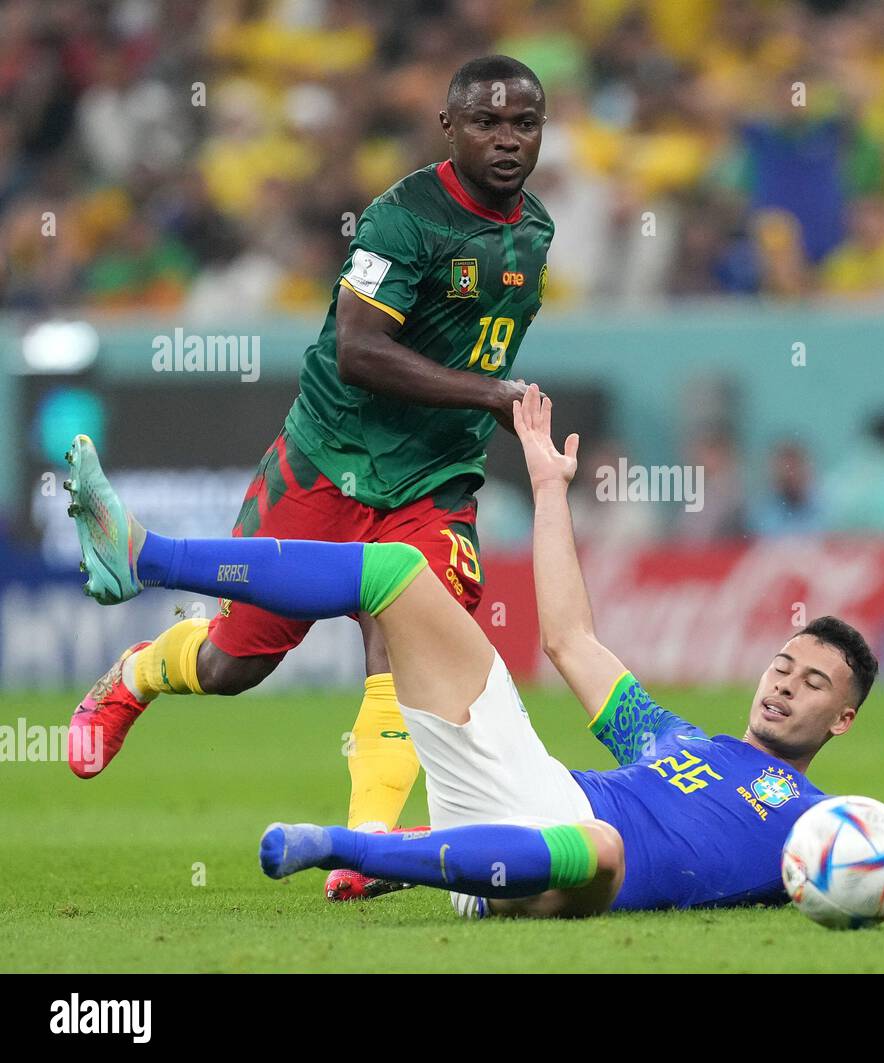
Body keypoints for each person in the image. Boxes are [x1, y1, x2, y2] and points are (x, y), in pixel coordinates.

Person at [63, 390, 884, 917]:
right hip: (521, 793)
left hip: (557, 864)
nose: (787, 683)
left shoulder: (820, 823)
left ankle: (352, 845)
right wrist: (550, 491)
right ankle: (142, 547)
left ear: (841, 723)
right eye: (787, 664)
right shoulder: (674, 738)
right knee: (397, 577)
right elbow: (568, 638)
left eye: (816, 685)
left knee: (597, 845)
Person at [66, 55, 555, 903]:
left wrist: (478, 414)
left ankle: (368, 845)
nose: (508, 140)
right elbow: (361, 352)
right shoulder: (400, 220)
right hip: (328, 461)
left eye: (525, 124)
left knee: (409, 640)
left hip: (434, 481)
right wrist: (494, 394)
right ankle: (140, 673)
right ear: (448, 127)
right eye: (487, 122)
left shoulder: (536, 230)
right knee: (233, 664)